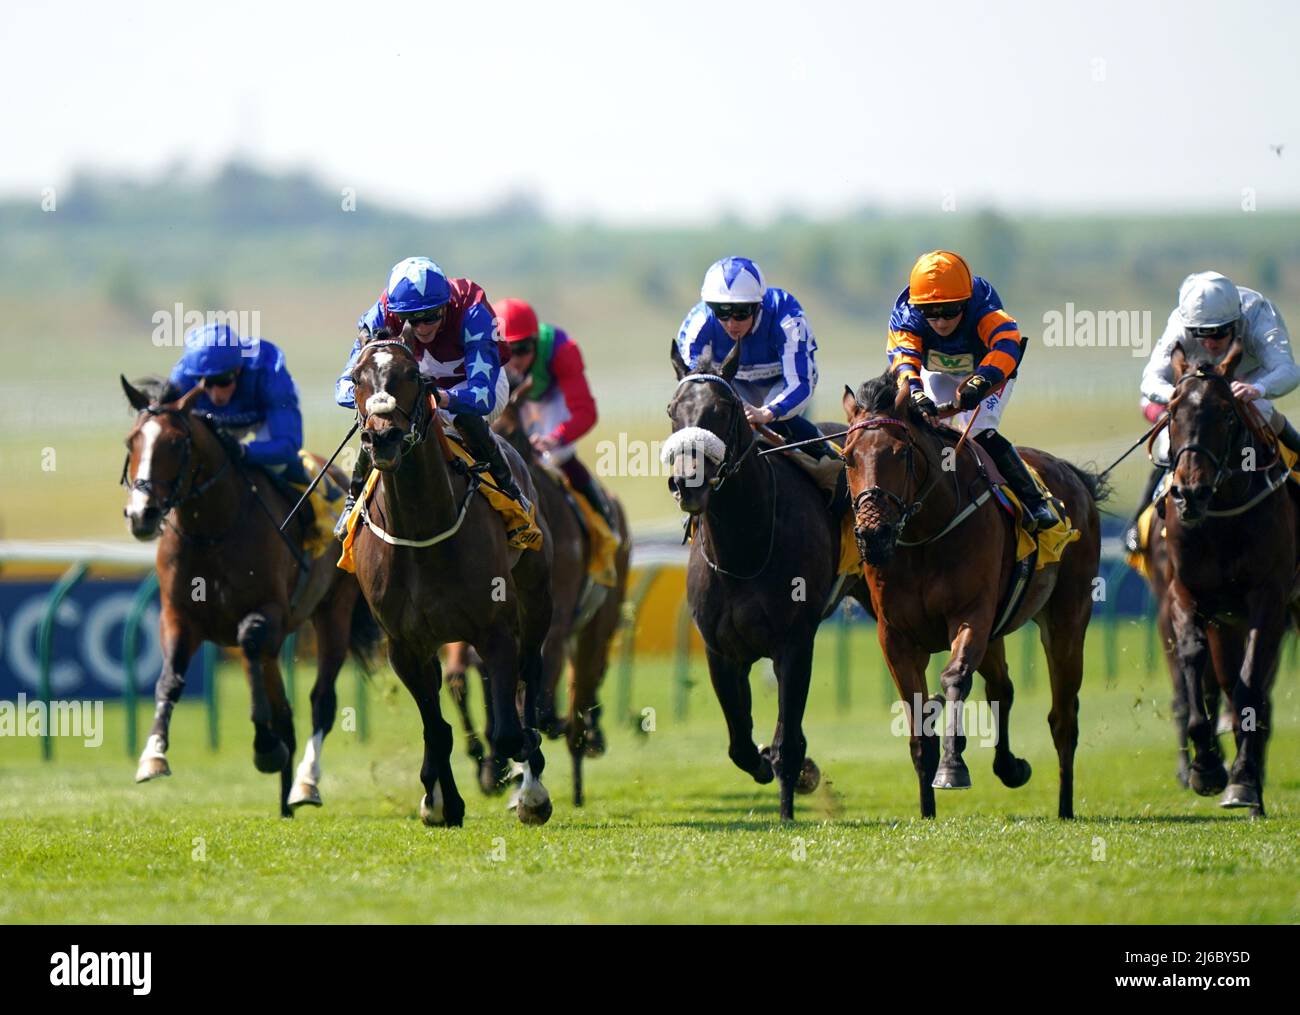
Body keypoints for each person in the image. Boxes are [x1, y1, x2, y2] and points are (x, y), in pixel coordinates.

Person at [334, 256, 518, 537]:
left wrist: (441, 397)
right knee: (378, 422)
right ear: (397, 313)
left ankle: (510, 494)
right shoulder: (381, 314)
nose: (421, 328)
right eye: (411, 320)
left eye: (430, 316)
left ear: (446, 305)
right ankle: (353, 499)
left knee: (458, 416)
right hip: (414, 381)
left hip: (475, 384)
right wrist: (374, 402)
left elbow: (483, 397)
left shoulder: (473, 311)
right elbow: (344, 387)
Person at [1123, 269, 1300, 551]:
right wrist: (1181, 398)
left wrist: (1259, 388)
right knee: (1167, 443)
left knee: (1265, 412)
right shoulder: (1179, 323)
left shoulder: (1258, 315)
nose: (1209, 343)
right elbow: (1150, 379)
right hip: (1193, 390)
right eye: (1200, 335)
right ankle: (1140, 518)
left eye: (1218, 333)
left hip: (1248, 380)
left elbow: (1288, 370)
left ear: (1235, 321)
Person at [887, 249, 1056, 531]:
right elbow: (903, 358)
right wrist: (915, 392)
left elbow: (1006, 344)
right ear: (918, 308)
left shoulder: (983, 307)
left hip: (990, 374)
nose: (940, 322)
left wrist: (981, 381)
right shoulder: (907, 315)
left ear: (966, 302)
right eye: (930, 312)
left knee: (977, 431)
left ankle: (1034, 501)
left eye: (950, 311)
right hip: (938, 372)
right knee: (928, 427)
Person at [675, 255, 834, 459]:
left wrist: (767, 412)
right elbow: (695, 388)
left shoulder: (786, 316)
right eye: (722, 312)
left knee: (777, 422)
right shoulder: (698, 324)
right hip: (733, 384)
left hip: (782, 383)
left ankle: (829, 461)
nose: (732, 323)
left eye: (741, 312)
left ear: (758, 305)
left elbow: (799, 383)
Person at [496, 297, 616, 532]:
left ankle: (605, 520)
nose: (516, 361)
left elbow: (586, 412)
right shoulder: (485, 353)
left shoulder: (562, 351)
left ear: (536, 342)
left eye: (523, 350)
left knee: (557, 455)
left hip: (549, 399)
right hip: (507, 401)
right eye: (508, 352)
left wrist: (555, 437)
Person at [169, 321, 307, 486]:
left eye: (222, 381)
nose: (215, 395)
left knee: (277, 465)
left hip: (261, 418)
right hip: (213, 424)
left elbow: (288, 445)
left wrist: (243, 451)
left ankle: (321, 499)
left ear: (238, 370)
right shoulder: (181, 380)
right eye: (204, 382)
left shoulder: (269, 373)